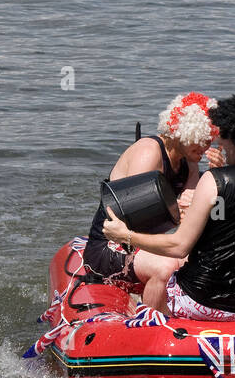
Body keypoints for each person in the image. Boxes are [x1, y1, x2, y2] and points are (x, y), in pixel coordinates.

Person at [102, 89, 235, 321]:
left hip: (199, 300)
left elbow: (179, 246)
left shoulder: (215, 180)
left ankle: (147, 334)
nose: (220, 145)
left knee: (166, 274)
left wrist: (126, 236)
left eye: (223, 137)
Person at [83, 91, 226, 312]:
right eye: (203, 140)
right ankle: (149, 324)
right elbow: (136, 218)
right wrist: (178, 207)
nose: (207, 148)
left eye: (211, 140)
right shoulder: (148, 152)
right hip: (111, 244)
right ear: (185, 132)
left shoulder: (191, 164)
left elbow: (200, 220)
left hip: (147, 242)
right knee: (167, 266)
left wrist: (218, 178)